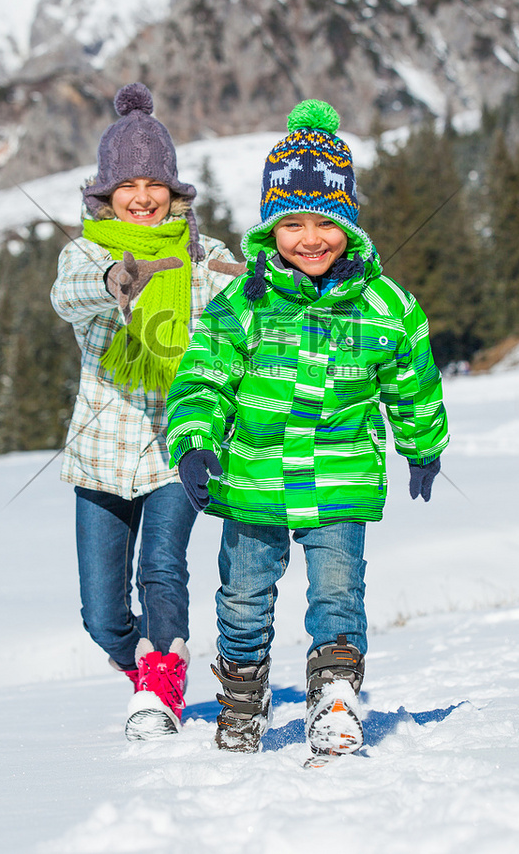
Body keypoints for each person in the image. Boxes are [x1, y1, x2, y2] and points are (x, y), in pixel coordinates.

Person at [165, 99, 449, 757]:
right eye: (292, 222)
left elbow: (412, 381)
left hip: (340, 474)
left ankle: (335, 703)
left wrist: (423, 445)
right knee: (241, 599)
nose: (310, 237)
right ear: (270, 227)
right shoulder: (242, 303)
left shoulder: (387, 308)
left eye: (326, 221)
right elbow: (203, 376)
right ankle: (242, 701)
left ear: (350, 224)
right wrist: (195, 439)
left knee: (339, 593)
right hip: (253, 476)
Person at [50, 82, 241, 741]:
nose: (140, 195)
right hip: (100, 458)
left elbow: (234, 284)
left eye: (152, 182)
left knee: (162, 564)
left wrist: (250, 281)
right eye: (125, 183)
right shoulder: (88, 254)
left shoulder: (199, 252)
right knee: (101, 614)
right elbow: (68, 293)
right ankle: (144, 672)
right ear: (105, 194)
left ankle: (163, 679)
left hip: (176, 445)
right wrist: (114, 281)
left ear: (172, 191)